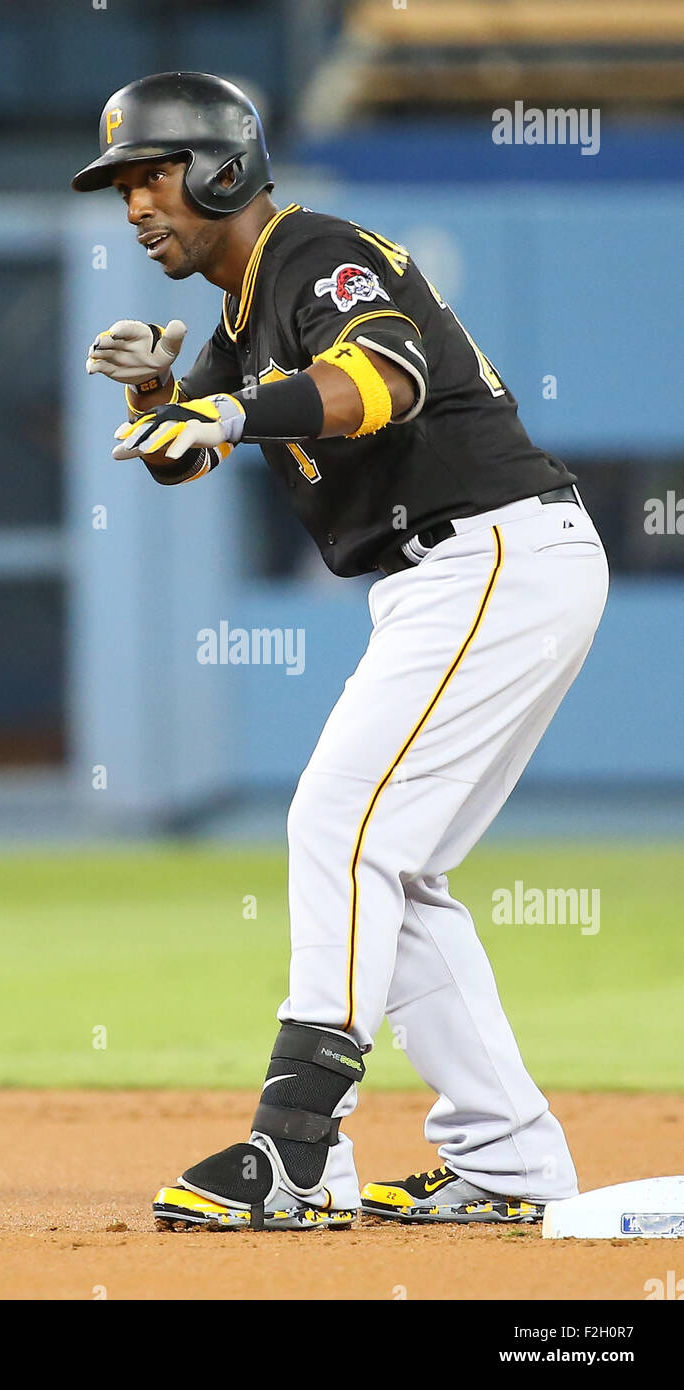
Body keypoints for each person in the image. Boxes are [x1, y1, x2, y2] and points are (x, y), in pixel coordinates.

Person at [72, 72, 609, 1231]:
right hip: (455, 576)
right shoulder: (240, 312)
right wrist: (169, 393)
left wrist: (224, 406)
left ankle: (295, 1148)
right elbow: (179, 453)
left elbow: (386, 380)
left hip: (490, 554)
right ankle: (508, 1158)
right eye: (121, 182)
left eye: (151, 171)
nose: (133, 201)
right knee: (393, 867)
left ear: (220, 166)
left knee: (336, 823)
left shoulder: (316, 254)